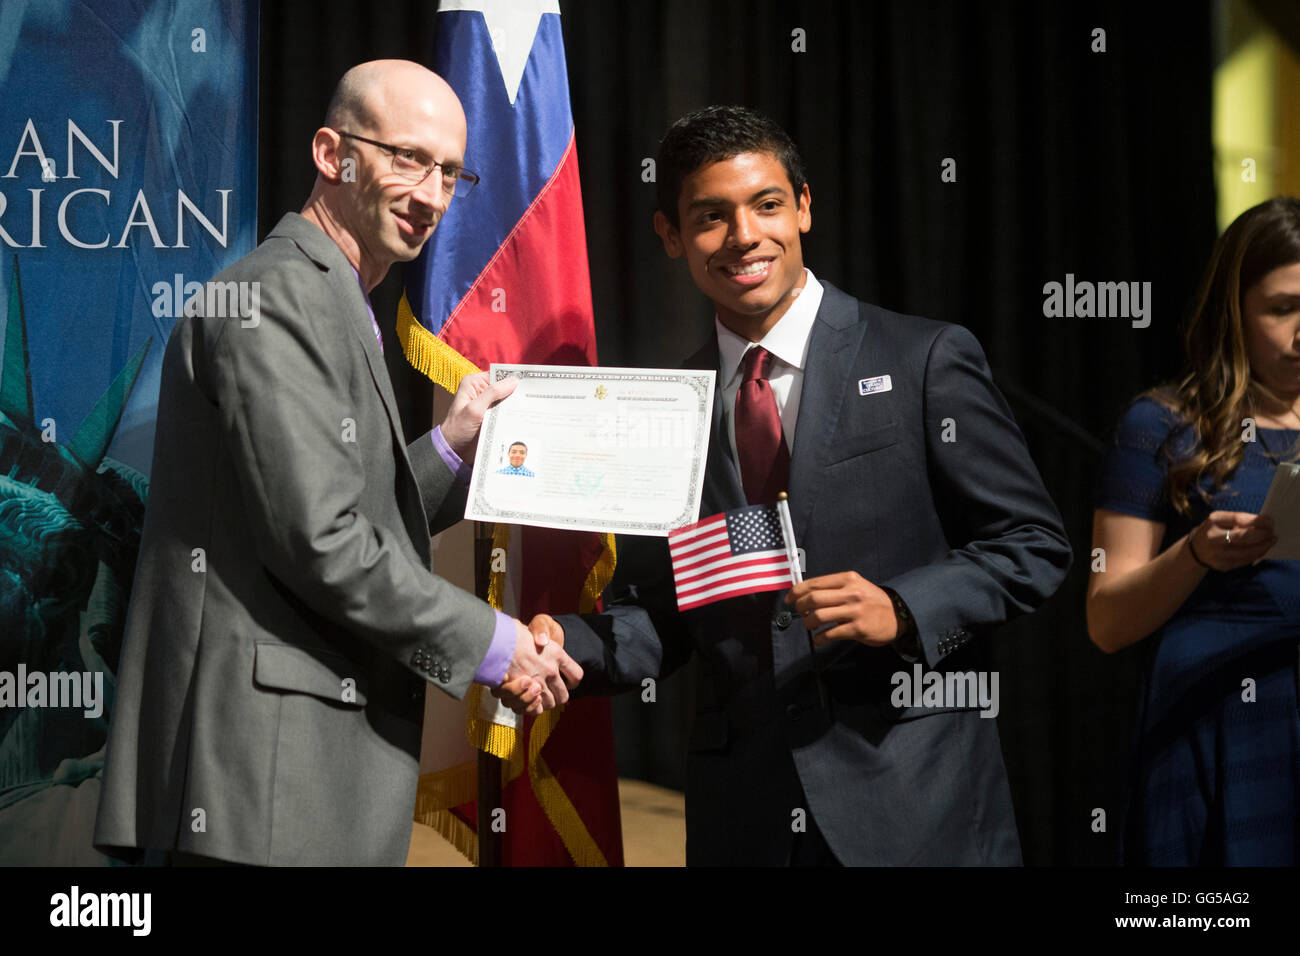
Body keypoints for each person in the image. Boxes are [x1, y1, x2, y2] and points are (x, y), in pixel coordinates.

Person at [500, 106, 1072, 865]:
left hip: (917, 808)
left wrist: (904, 608)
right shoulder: (667, 405)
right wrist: (561, 644)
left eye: (766, 204)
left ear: (803, 207)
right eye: (710, 216)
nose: (744, 236)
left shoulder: (924, 358)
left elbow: (1032, 544)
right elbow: (662, 615)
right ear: (670, 235)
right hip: (746, 817)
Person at [93, 60, 578, 867]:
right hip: (259, 783)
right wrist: (497, 645)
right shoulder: (281, 297)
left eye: (450, 172)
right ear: (331, 153)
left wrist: (453, 446)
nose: (431, 194)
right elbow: (322, 542)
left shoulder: (331, 295)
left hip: (288, 782)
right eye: (407, 158)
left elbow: (328, 507)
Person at [1088, 196, 1300, 866]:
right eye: (1283, 308)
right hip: (1224, 732)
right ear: (1233, 309)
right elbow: (1106, 621)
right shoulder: (1161, 426)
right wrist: (1196, 553)